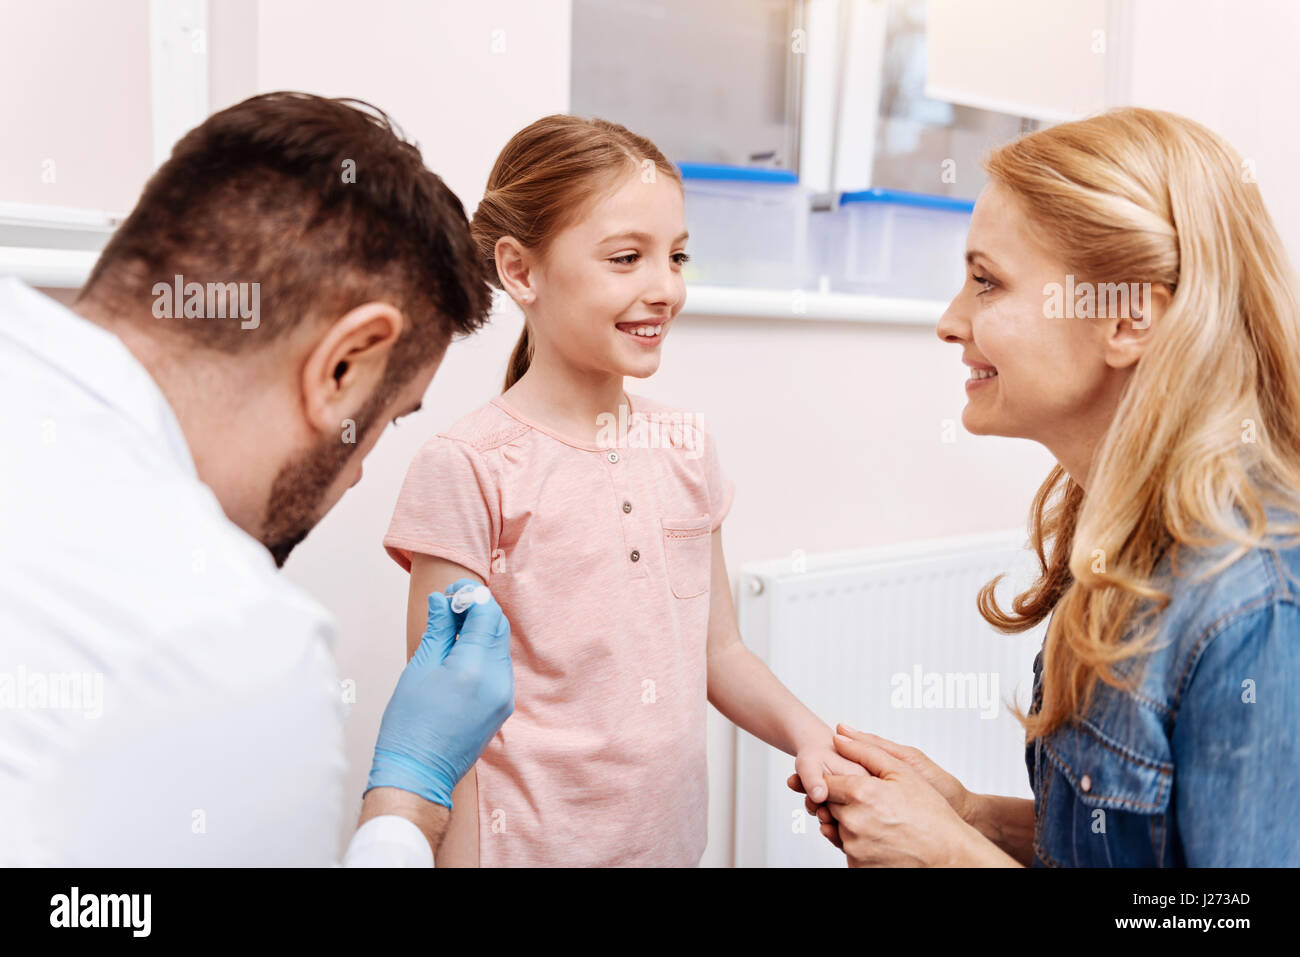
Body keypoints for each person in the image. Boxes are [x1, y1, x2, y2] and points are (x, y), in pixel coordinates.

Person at [0, 92, 512, 866]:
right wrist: (407, 802)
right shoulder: (227, 642)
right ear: (343, 366)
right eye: (388, 419)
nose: (361, 470)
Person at [793, 107, 1300, 867]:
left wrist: (951, 858)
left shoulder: (1253, 605)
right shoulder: (1120, 536)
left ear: (1126, 319)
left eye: (986, 282)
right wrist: (975, 818)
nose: (949, 320)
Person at [381, 115, 866, 866]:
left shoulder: (685, 446)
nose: (664, 287)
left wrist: (811, 734)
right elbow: (446, 733)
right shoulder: (468, 467)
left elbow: (720, 648)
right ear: (520, 271)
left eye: (676, 256)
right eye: (626, 257)